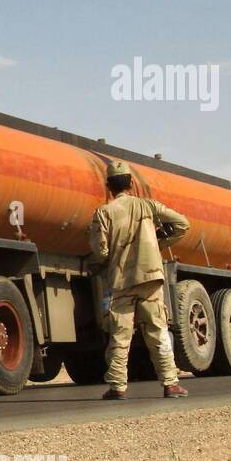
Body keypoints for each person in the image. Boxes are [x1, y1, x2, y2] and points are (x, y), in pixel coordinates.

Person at [88, 160, 191, 400]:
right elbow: (182, 224)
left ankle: (117, 387)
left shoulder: (103, 213)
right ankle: (170, 384)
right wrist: (159, 243)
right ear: (131, 183)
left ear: (108, 186)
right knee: (157, 331)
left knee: (120, 335)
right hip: (150, 279)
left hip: (121, 281)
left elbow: (100, 251)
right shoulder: (148, 206)